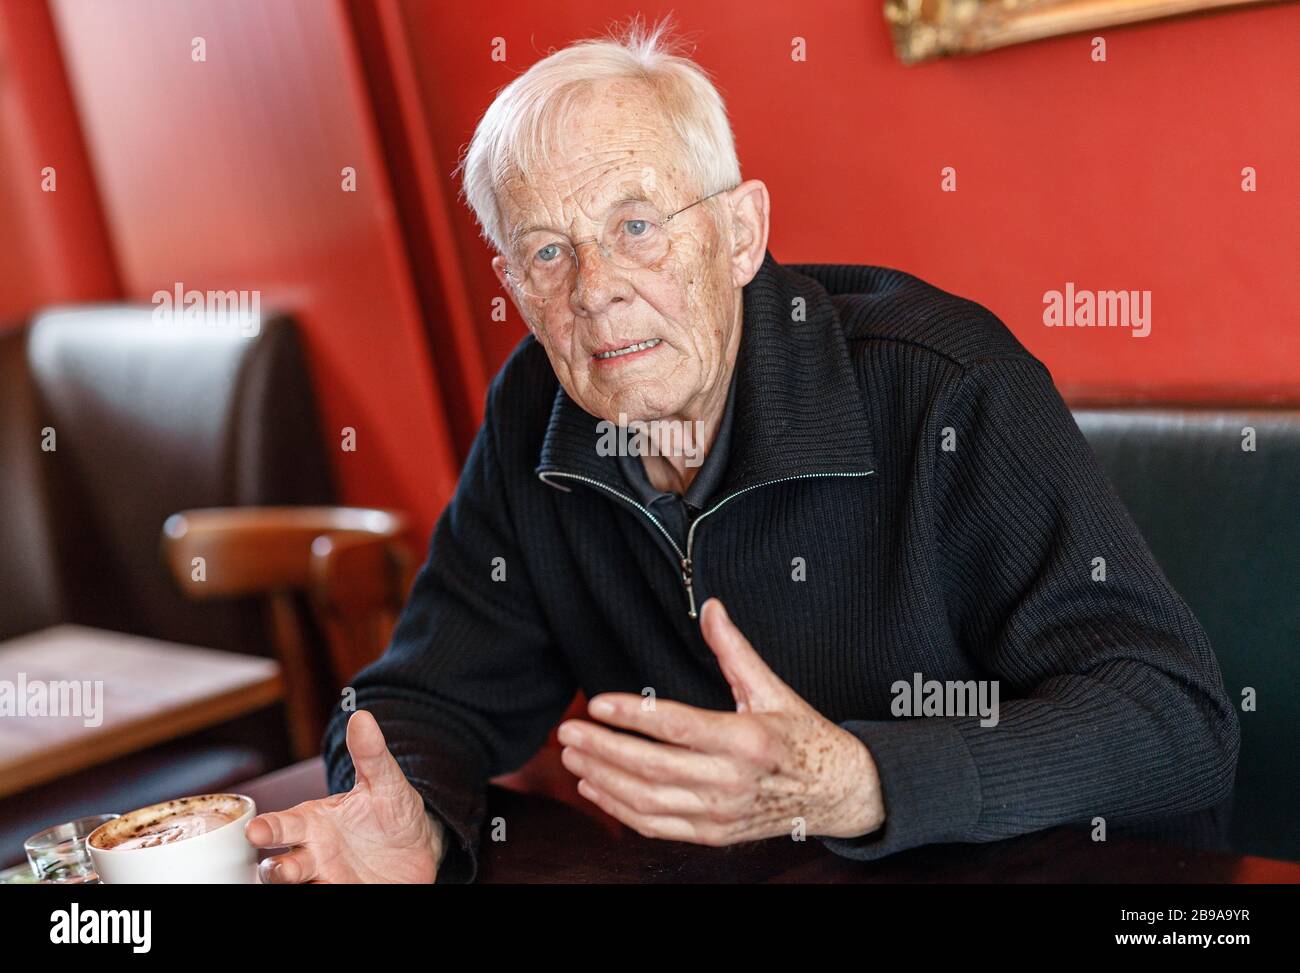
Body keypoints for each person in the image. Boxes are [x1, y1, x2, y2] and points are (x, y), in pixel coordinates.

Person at [245, 18, 1238, 883]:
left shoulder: (943, 384)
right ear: (515, 285)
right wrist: (411, 815)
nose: (594, 288)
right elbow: (427, 693)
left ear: (739, 232)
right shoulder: (536, 409)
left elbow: (1177, 720)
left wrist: (859, 780)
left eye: (636, 226)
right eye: (548, 251)